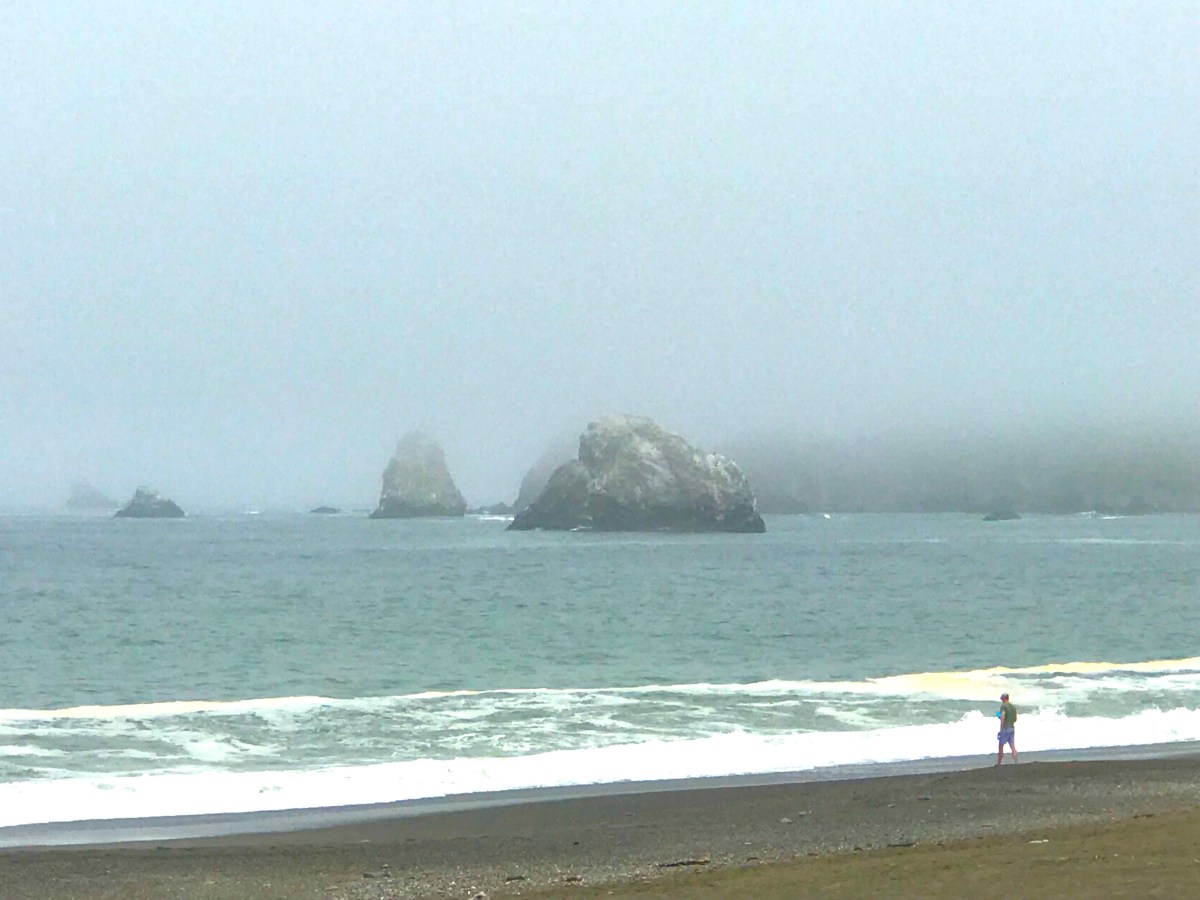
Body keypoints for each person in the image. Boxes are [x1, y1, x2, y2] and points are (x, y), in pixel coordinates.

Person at [996, 692, 1018, 765]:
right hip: (1012, 727)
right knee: (1012, 746)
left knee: (1001, 746)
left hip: (1005, 728)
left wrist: (1001, 728)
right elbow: (1015, 719)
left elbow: (1002, 716)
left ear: (1004, 699)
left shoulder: (1003, 706)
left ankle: (999, 763)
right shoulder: (1013, 707)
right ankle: (1015, 762)